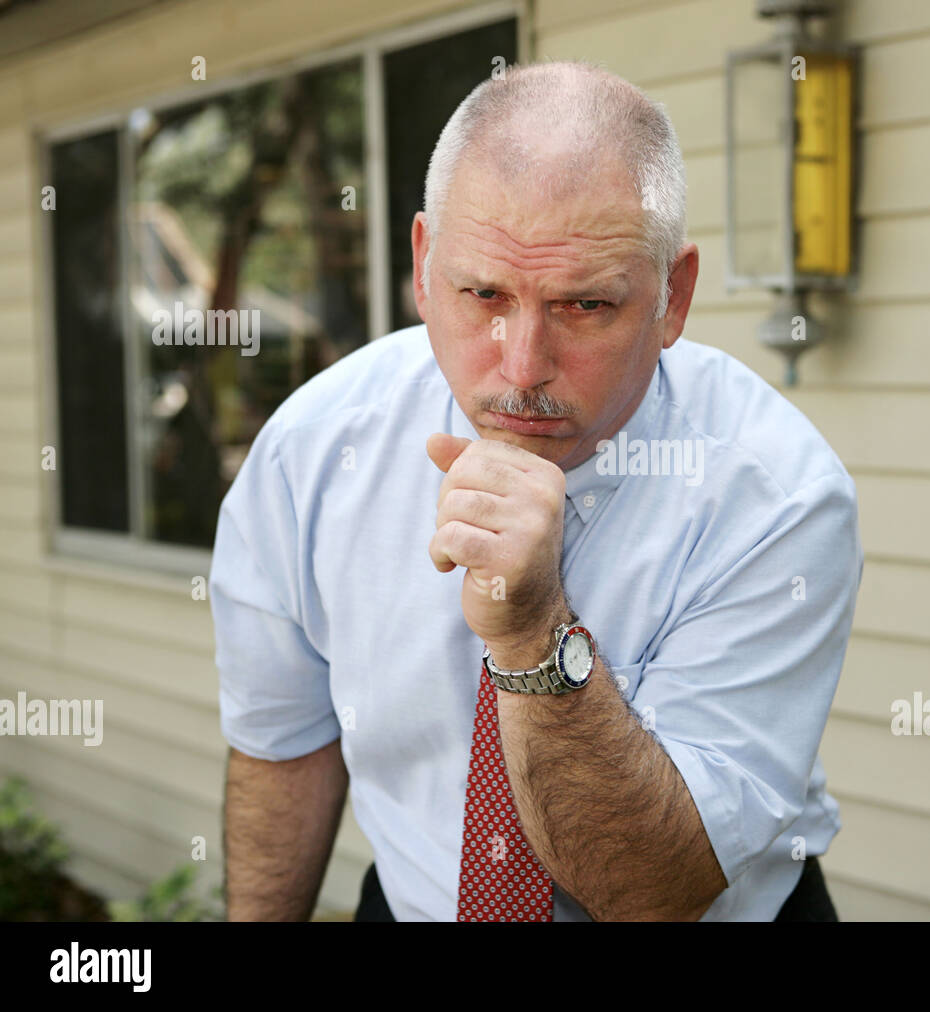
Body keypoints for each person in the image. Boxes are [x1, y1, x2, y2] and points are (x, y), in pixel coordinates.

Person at [212, 60, 862, 922]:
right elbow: (282, 748)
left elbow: (652, 894)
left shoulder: (774, 498)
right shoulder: (314, 451)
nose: (521, 368)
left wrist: (531, 634)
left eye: (585, 306)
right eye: (482, 293)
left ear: (674, 297)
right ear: (421, 262)